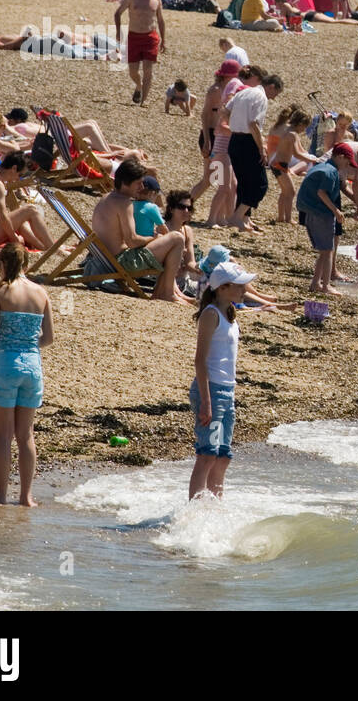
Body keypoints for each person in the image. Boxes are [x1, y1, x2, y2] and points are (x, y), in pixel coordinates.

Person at [0, 242, 53, 506]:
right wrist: (28, 344)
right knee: (26, 435)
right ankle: (26, 497)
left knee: (3, 434)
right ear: (26, 265)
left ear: (2, 264)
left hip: (5, 364)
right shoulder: (41, 292)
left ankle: (0, 495)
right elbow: (49, 338)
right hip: (32, 365)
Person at [189, 261, 255, 499]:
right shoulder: (210, 314)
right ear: (223, 288)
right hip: (212, 392)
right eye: (239, 285)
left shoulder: (230, 313)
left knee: (223, 456)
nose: (244, 289)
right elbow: (200, 361)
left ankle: (215, 507)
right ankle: (194, 511)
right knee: (207, 455)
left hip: (228, 392)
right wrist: (206, 401)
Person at [89, 157, 190, 302]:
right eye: (138, 183)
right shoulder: (124, 203)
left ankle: (167, 291)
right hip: (123, 262)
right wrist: (154, 238)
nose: (142, 187)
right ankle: (167, 293)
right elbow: (132, 241)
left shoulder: (106, 198)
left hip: (105, 258)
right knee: (177, 238)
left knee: (169, 241)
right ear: (125, 183)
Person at [225, 73, 284, 232]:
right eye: (275, 93)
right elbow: (253, 124)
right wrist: (261, 148)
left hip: (235, 140)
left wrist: (234, 124)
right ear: (271, 86)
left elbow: (226, 111)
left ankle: (244, 219)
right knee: (260, 184)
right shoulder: (261, 97)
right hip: (248, 142)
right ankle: (237, 218)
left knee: (244, 182)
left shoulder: (244, 92)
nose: (273, 98)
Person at [297, 143, 357, 295]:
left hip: (310, 210)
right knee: (328, 250)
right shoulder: (330, 172)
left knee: (325, 251)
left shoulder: (322, 167)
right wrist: (336, 211)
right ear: (339, 157)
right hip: (319, 212)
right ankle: (325, 286)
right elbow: (322, 193)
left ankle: (316, 283)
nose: (347, 165)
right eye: (347, 162)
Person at [0, 151, 56, 250]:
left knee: (22, 219)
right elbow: (3, 218)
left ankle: (45, 248)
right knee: (31, 210)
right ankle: (53, 248)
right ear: (14, 168)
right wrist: (14, 239)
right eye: (20, 175)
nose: (18, 179)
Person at [115, 0, 166, 105]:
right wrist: (118, 32)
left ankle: (143, 101)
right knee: (133, 71)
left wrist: (163, 40)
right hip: (134, 36)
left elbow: (160, 20)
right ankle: (138, 86)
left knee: (148, 70)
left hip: (150, 37)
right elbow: (118, 13)